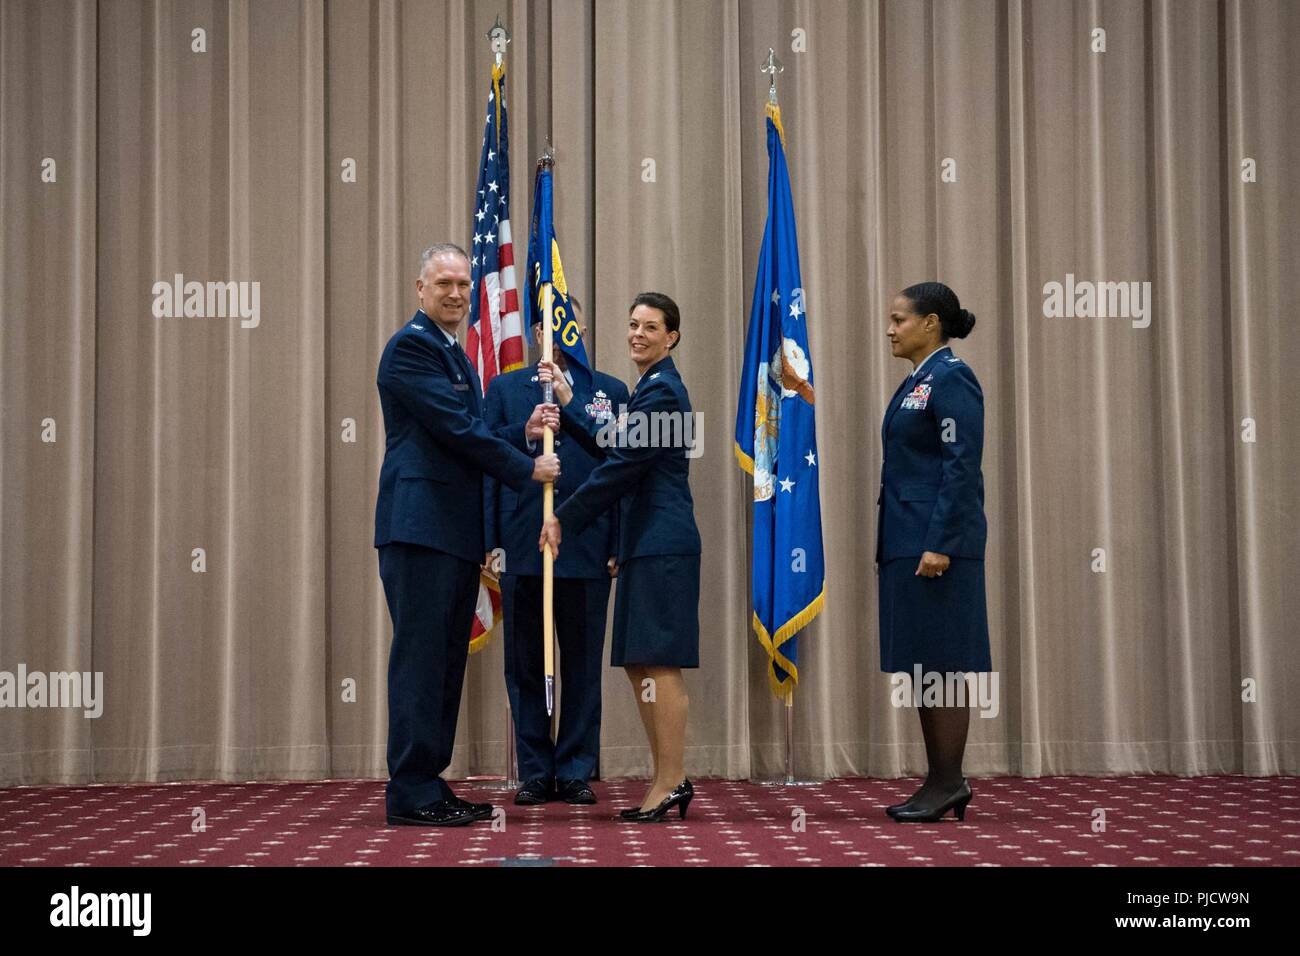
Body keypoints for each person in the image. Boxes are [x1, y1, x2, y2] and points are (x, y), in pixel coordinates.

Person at [374, 243, 561, 827]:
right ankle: (410, 790)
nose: (455, 293)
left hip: (450, 534)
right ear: (420, 289)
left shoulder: (451, 353)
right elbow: (455, 431)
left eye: (462, 284)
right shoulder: (411, 349)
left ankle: (428, 781)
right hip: (420, 530)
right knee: (422, 663)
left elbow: (470, 429)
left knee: (444, 663)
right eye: (444, 284)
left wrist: (521, 430)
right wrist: (526, 466)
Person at [538, 292, 701, 823]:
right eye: (632, 324)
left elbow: (619, 467)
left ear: (671, 336)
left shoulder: (664, 392)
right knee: (641, 663)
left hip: (662, 544)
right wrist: (568, 400)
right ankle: (666, 778)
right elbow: (617, 443)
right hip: (645, 543)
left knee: (658, 661)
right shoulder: (651, 388)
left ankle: (671, 780)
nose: (637, 334)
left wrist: (565, 515)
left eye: (650, 327)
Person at [483, 299, 630, 805]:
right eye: (546, 324)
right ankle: (535, 769)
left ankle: (574, 767)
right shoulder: (503, 389)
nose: (556, 333)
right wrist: (490, 539)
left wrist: (619, 541)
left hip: (588, 544)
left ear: (582, 328)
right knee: (524, 663)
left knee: (583, 663)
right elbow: (486, 459)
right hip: (524, 540)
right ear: (534, 330)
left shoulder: (608, 391)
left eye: (567, 325)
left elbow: (622, 466)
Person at [877, 281, 990, 823]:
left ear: (931, 324)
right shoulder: (917, 381)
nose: (891, 328)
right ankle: (940, 781)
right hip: (907, 540)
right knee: (924, 667)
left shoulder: (952, 377)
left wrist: (940, 543)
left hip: (936, 546)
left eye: (900, 319)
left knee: (941, 668)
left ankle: (948, 781)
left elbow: (961, 465)